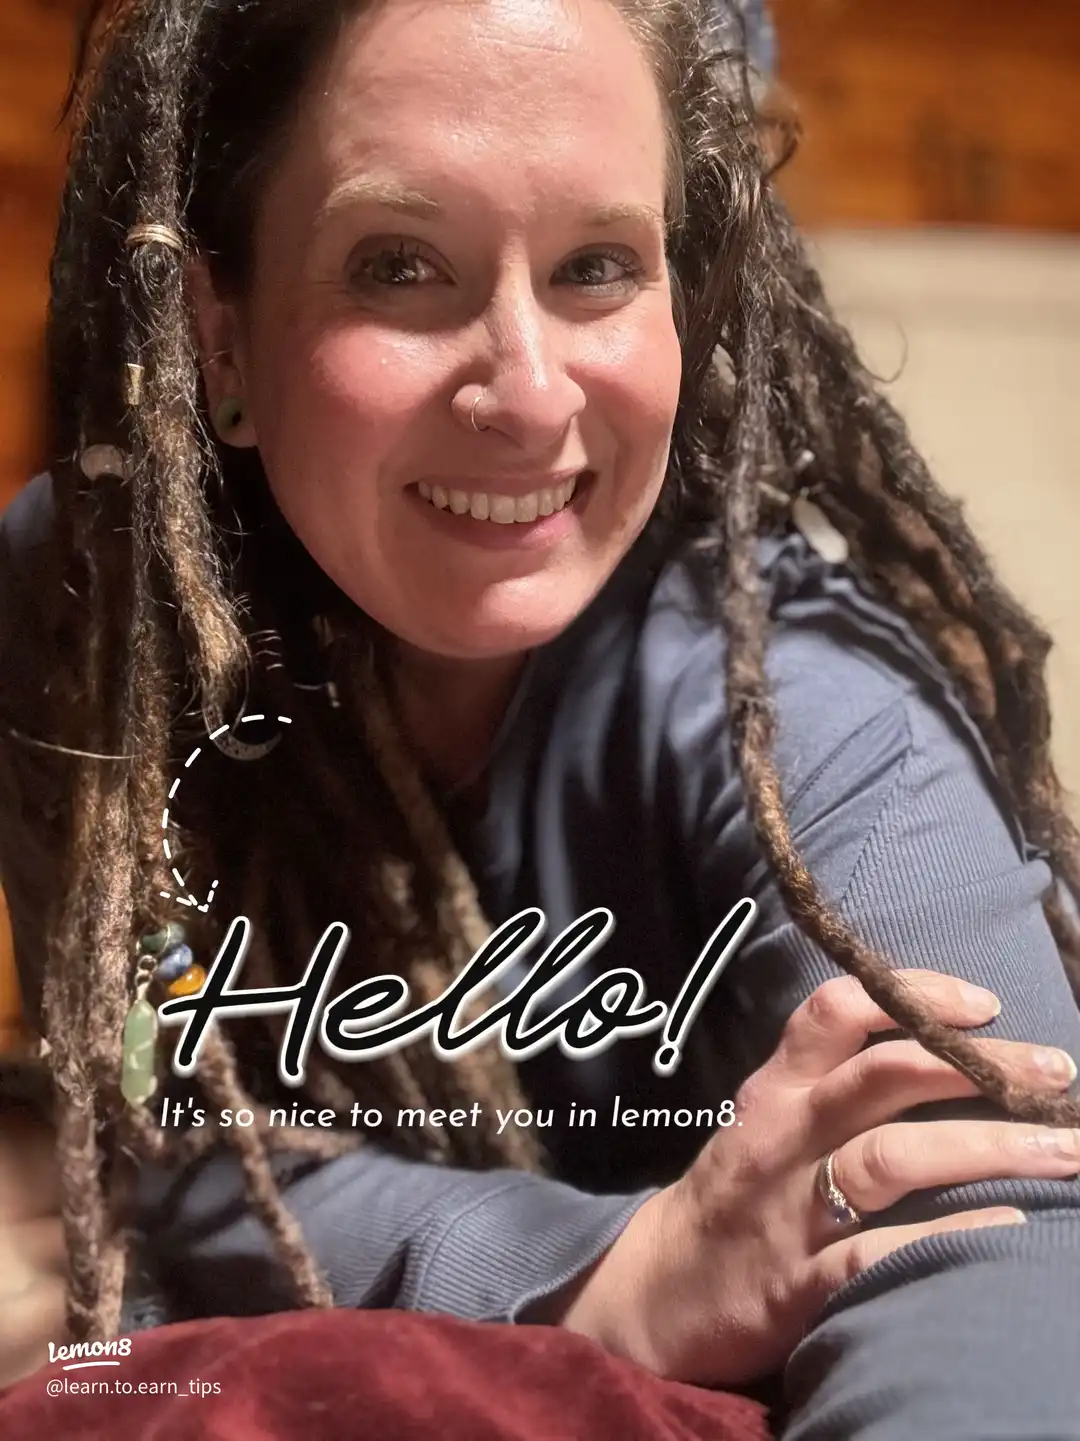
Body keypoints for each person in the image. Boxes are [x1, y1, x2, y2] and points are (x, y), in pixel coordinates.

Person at [0, 0, 1079, 1434]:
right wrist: (601, 1273)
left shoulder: (802, 696)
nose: (526, 394)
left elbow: (1008, 1213)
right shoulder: (94, 604)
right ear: (222, 331)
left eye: (596, 267)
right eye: (399, 265)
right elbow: (166, 1132)